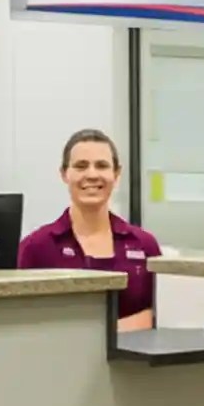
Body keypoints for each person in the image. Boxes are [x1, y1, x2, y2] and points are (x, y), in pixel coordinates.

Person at [17, 128, 161, 332]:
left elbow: (158, 315)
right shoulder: (37, 247)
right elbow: (25, 322)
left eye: (102, 166)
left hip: (134, 363)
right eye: (81, 166)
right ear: (64, 174)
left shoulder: (145, 245)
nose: (92, 175)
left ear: (116, 174)